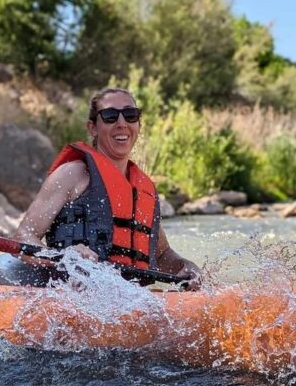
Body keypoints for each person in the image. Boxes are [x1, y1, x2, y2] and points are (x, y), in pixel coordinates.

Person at [13, 87, 201, 287]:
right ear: (93, 128)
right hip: (71, 292)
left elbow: (161, 254)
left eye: (130, 115)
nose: (122, 123)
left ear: (138, 124)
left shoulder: (144, 190)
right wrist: (64, 259)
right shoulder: (72, 174)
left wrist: (185, 266)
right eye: (110, 116)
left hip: (130, 300)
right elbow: (24, 236)